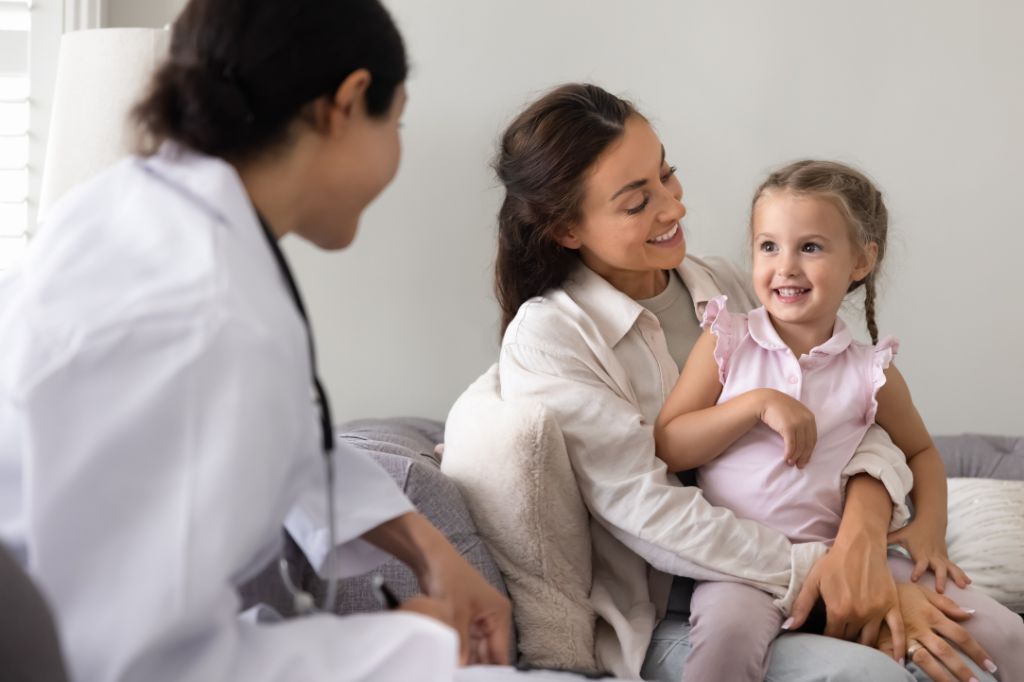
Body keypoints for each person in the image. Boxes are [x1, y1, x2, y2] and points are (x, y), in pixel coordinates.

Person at [0, 1, 572, 680]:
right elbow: (139, 665)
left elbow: (278, 432)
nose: (398, 143)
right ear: (348, 101)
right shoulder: (203, 311)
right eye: (397, 119)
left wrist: (427, 549)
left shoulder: (134, 212)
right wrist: (411, 647)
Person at [491, 82, 996, 681]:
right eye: (636, 202)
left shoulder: (727, 283)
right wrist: (834, 571)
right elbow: (649, 508)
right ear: (566, 229)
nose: (674, 208)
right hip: (671, 602)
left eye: (666, 174)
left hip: (820, 553)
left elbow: (851, 417)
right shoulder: (552, 338)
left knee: (981, 642)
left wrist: (863, 534)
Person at [654, 159, 1023, 681]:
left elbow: (920, 451)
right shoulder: (728, 340)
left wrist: (930, 529)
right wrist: (755, 403)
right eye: (768, 246)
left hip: (847, 560)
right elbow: (670, 443)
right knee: (727, 644)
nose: (785, 266)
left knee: (1008, 633)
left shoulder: (872, 371)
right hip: (741, 567)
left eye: (810, 247)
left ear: (860, 261)